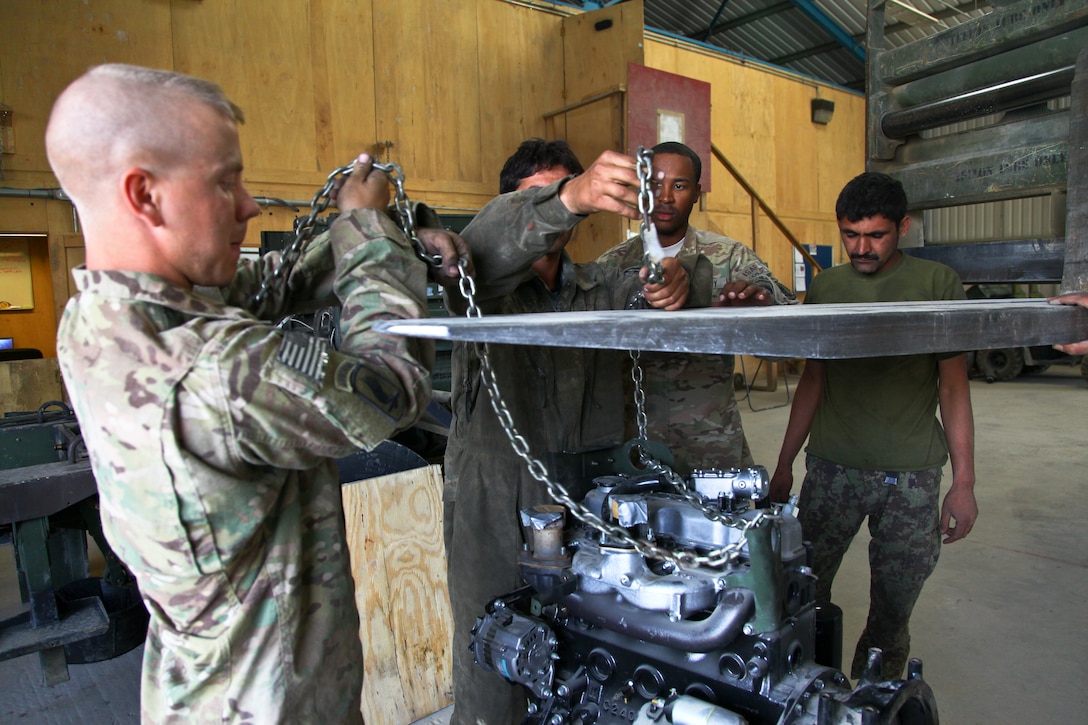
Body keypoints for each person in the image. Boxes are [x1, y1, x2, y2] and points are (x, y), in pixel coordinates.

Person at [45, 64, 466, 723]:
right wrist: (367, 232)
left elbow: (266, 285)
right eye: (224, 181)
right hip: (280, 704)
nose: (249, 204)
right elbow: (395, 385)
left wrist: (385, 230)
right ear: (146, 196)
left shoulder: (98, 318)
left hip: (196, 688)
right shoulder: (221, 369)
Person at [443, 139, 713, 725]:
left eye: (563, 193)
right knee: (493, 651)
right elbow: (484, 244)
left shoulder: (601, 288)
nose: (551, 210)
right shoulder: (476, 286)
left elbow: (681, 279)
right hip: (492, 498)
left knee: (590, 650)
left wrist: (676, 280)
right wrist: (565, 196)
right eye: (533, 198)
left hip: (585, 500)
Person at [769, 172, 978, 681]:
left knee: (892, 610)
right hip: (831, 471)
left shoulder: (937, 284)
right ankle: (806, 696)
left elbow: (953, 388)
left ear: (903, 227)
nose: (861, 248)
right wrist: (783, 464)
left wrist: (964, 482)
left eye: (876, 235)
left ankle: (872, 703)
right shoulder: (828, 287)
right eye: (849, 234)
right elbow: (814, 381)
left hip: (911, 479)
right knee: (797, 594)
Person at [596, 141, 795, 474]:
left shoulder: (730, 257)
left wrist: (761, 303)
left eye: (678, 185)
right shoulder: (611, 265)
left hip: (713, 447)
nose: (665, 197)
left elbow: (786, 335)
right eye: (655, 185)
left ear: (697, 193)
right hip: (636, 449)